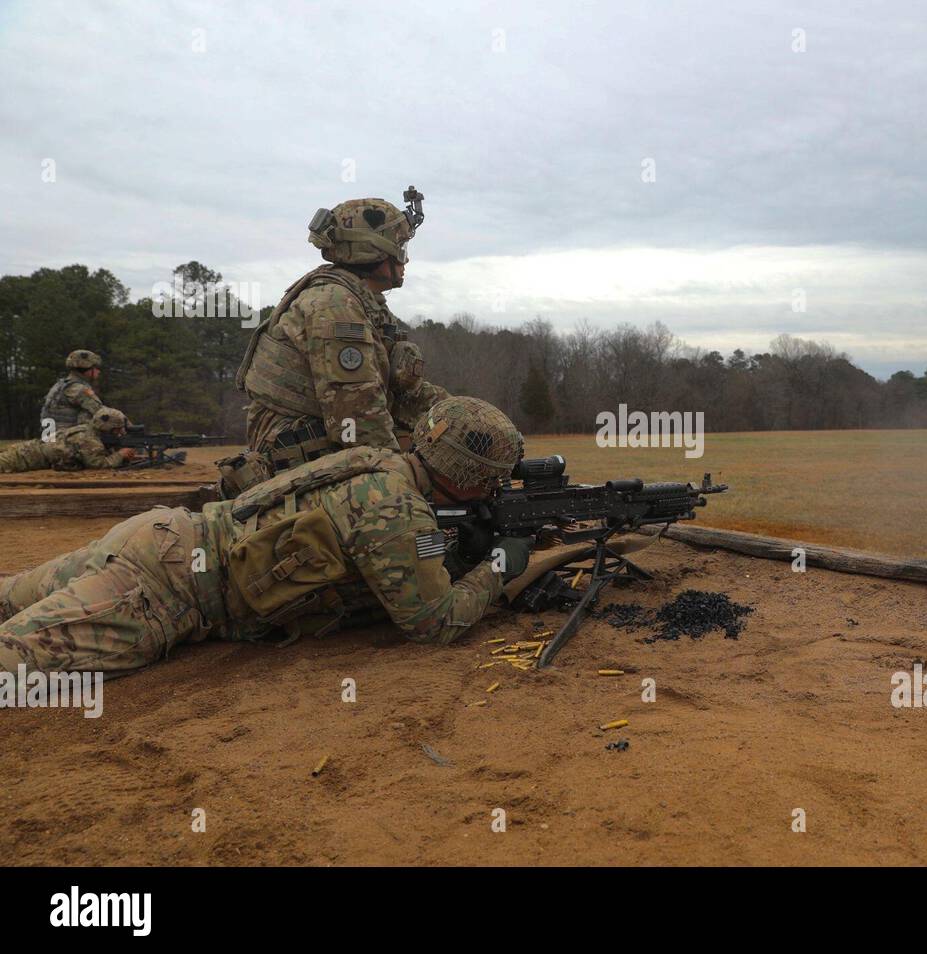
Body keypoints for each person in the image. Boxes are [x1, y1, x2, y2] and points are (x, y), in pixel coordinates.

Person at [0, 397, 532, 676]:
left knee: (8, 597)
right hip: (163, 591)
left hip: (159, 535)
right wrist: (502, 566)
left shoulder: (379, 463)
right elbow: (435, 624)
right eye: (490, 477)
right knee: (11, 663)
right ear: (466, 476)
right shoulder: (396, 508)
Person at [224, 188, 447, 496]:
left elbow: (404, 391)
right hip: (296, 456)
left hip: (322, 440)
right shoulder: (335, 306)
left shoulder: (363, 302)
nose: (404, 258)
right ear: (375, 251)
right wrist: (401, 487)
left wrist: (461, 416)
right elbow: (357, 420)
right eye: (400, 247)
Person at [0, 407, 136, 473]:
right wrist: (120, 455)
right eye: (117, 430)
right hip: (26, 457)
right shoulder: (89, 440)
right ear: (106, 427)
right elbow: (98, 464)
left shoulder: (91, 432)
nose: (120, 433)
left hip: (31, 451)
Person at [40, 350, 105, 430]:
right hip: (66, 437)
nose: (98, 371)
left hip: (50, 437)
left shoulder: (60, 384)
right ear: (86, 368)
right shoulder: (78, 388)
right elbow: (100, 412)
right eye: (96, 368)